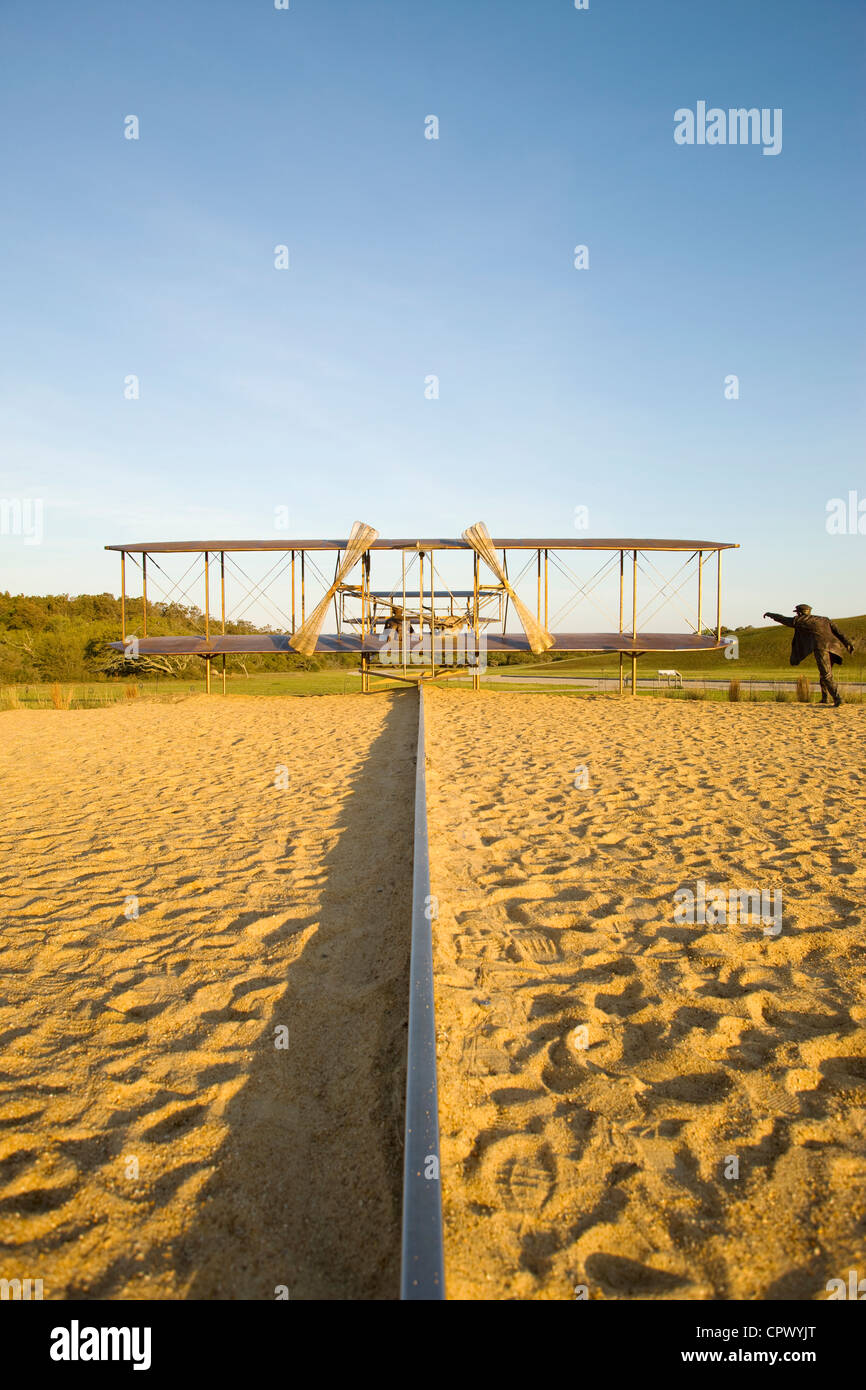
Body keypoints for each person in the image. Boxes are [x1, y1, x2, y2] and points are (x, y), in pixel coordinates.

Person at [763, 603, 854, 706]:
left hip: (822, 647)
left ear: (800, 613)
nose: (796, 615)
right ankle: (825, 698)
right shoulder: (824, 619)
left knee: (826, 674)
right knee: (824, 673)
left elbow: (785, 620)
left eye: (797, 613)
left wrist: (771, 615)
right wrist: (848, 643)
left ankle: (838, 698)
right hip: (835, 647)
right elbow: (839, 632)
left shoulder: (802, 620)